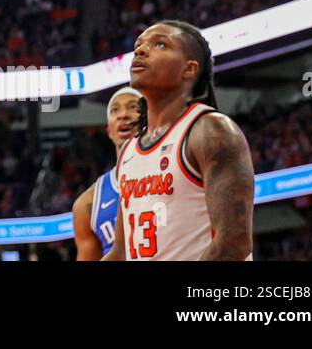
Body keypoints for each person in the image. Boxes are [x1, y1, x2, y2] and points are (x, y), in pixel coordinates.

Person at [102, 21, 254, 261]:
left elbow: (234, 244)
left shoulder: (211, 131)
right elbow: (120, 253)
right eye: (138, 45)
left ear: (189, 69)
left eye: (160, 44)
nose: (140, 51)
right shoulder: (129, 150)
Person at [71, 86, 141, 259]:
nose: (123, 115)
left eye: (134, 108)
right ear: (109, 130)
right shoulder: (88, 203)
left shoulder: (174, 175)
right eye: (115, 110)